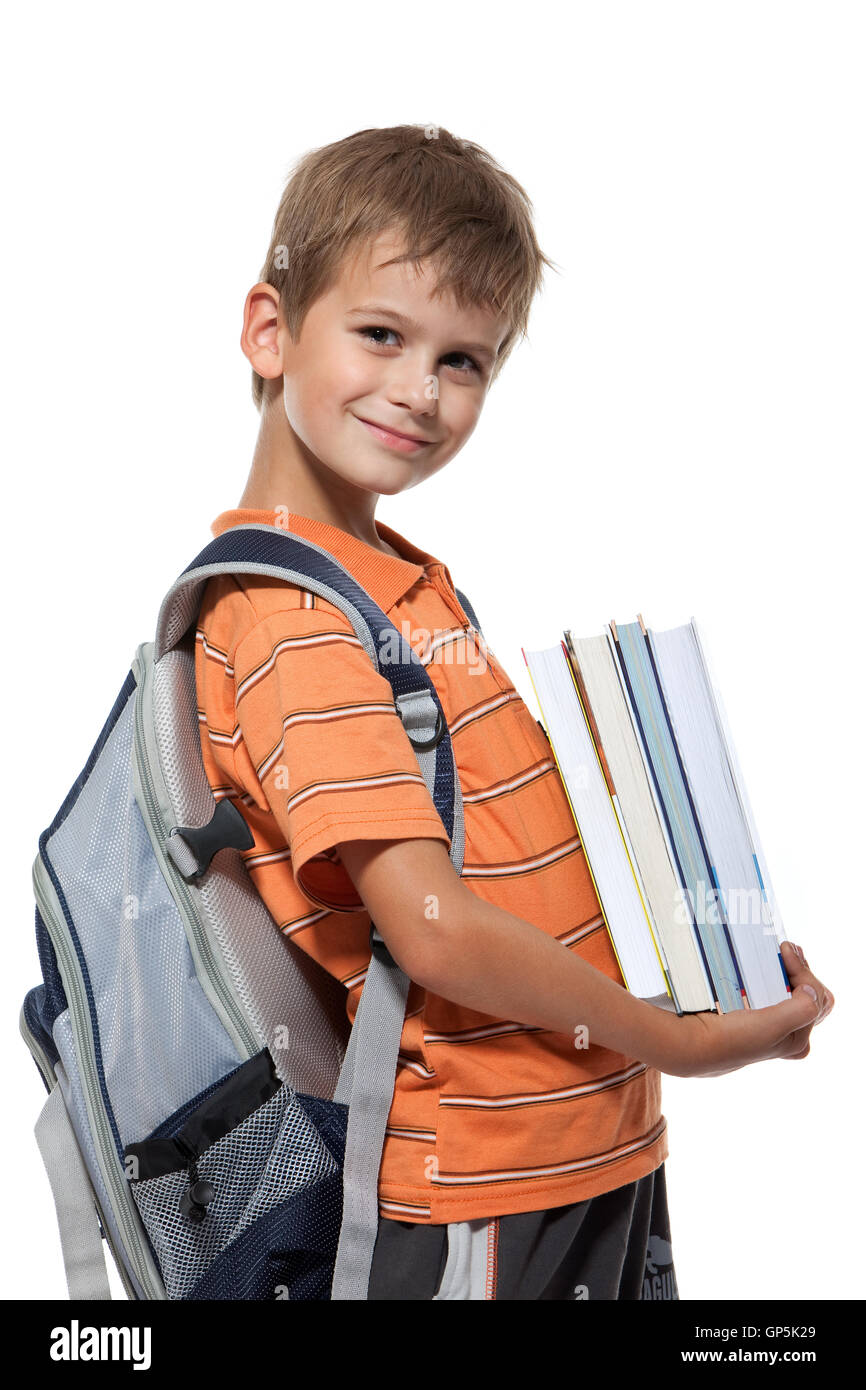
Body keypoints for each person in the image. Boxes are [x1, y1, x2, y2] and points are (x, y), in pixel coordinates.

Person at [194, 124, 834, 1300]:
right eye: (381, 334)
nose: (418, 390)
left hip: (575, 1149)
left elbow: (493, 865)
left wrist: (702, 968)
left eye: (463, 360)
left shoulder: (394, 577)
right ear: (269, 330)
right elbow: (432, 927)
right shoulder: (292, 620)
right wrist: (677, 1042)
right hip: (472, 1194)